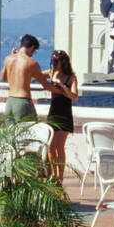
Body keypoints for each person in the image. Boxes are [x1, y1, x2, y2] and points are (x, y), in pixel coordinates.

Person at [0, 34, 51, 121]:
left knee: (11, 133)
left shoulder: (8, 59)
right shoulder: (32, 63)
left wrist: (11, 56)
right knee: (30, 132)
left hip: (10, 102)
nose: (33, 54)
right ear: (32, 47)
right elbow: (45, 85)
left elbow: (3, 78)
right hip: (23, 102)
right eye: (34, 51)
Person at [46, 50, 78, 185]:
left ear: (63, 62)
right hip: (53, 112)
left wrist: (62, 85)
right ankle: (53, 174)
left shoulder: (71, 77)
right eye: (52, 60)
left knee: (60, 146)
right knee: (50, 146)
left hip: (64, 113)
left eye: (56, 61)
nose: (54, 63)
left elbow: (74, 97)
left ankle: (60, 177)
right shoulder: (51, 73)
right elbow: (33, 74)